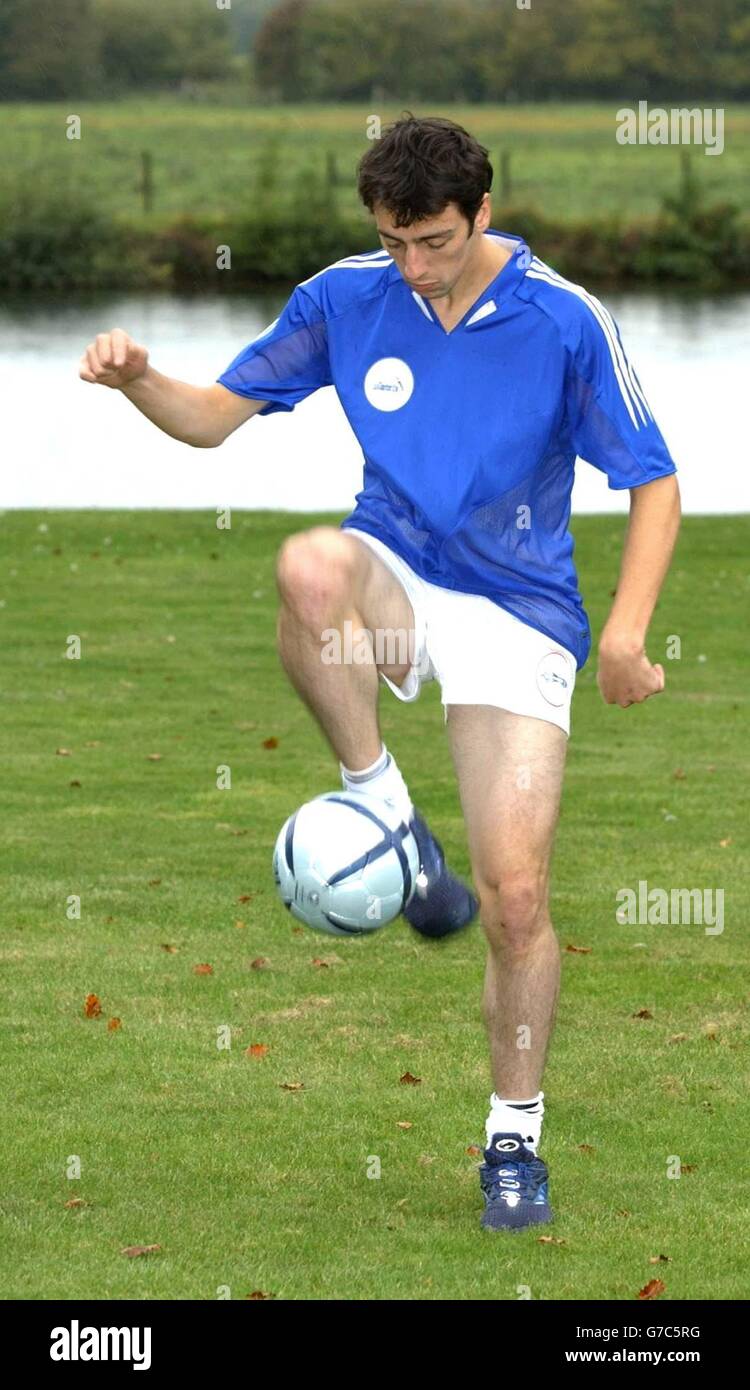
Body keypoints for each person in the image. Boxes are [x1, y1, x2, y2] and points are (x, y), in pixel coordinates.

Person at [79, 113, 681, 1233]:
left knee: (515, 900)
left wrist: (626, 633)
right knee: (308, 565)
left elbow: (654, 482)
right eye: (397, 242)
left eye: (436, 241)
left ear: (483, 214)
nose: (415, 265)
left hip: (520, 609)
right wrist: (137, 378)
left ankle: (513, 1138)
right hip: (392, 576)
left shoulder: (564, 319)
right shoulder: (346, 296)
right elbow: (212, 422)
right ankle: (390, 815)